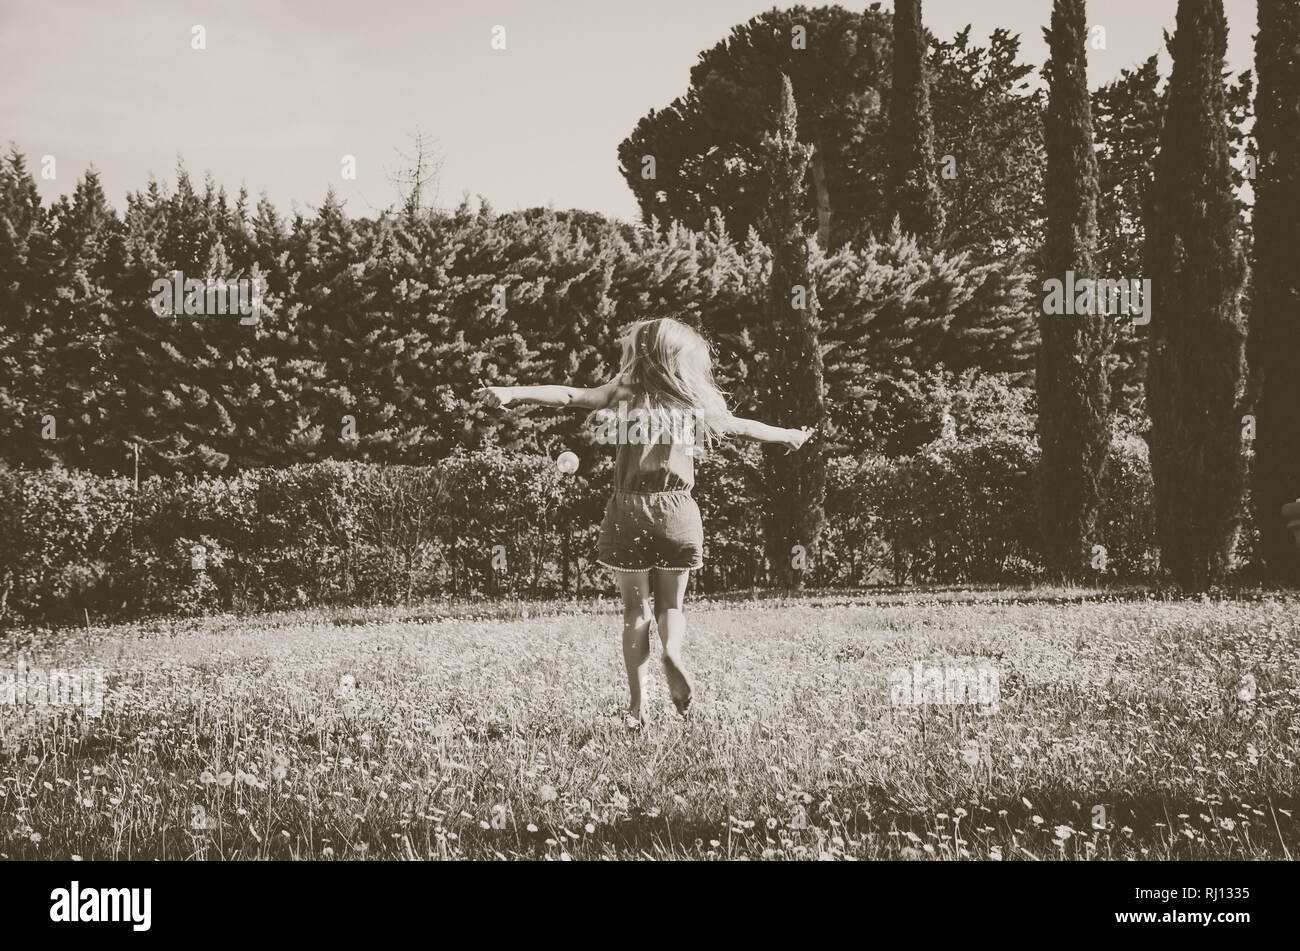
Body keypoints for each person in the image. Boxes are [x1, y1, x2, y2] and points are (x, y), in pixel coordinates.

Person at [478, 317, 813, 727]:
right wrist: (789, 435)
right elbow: (744, 428)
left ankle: (638, 709)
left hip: (629, 510)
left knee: (635, 612)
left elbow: (569, 395)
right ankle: (672, 652)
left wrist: (513, 392)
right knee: (671, 604)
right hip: (678, 511)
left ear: (639, 353)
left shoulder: (623, 392)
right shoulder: (693, 400)